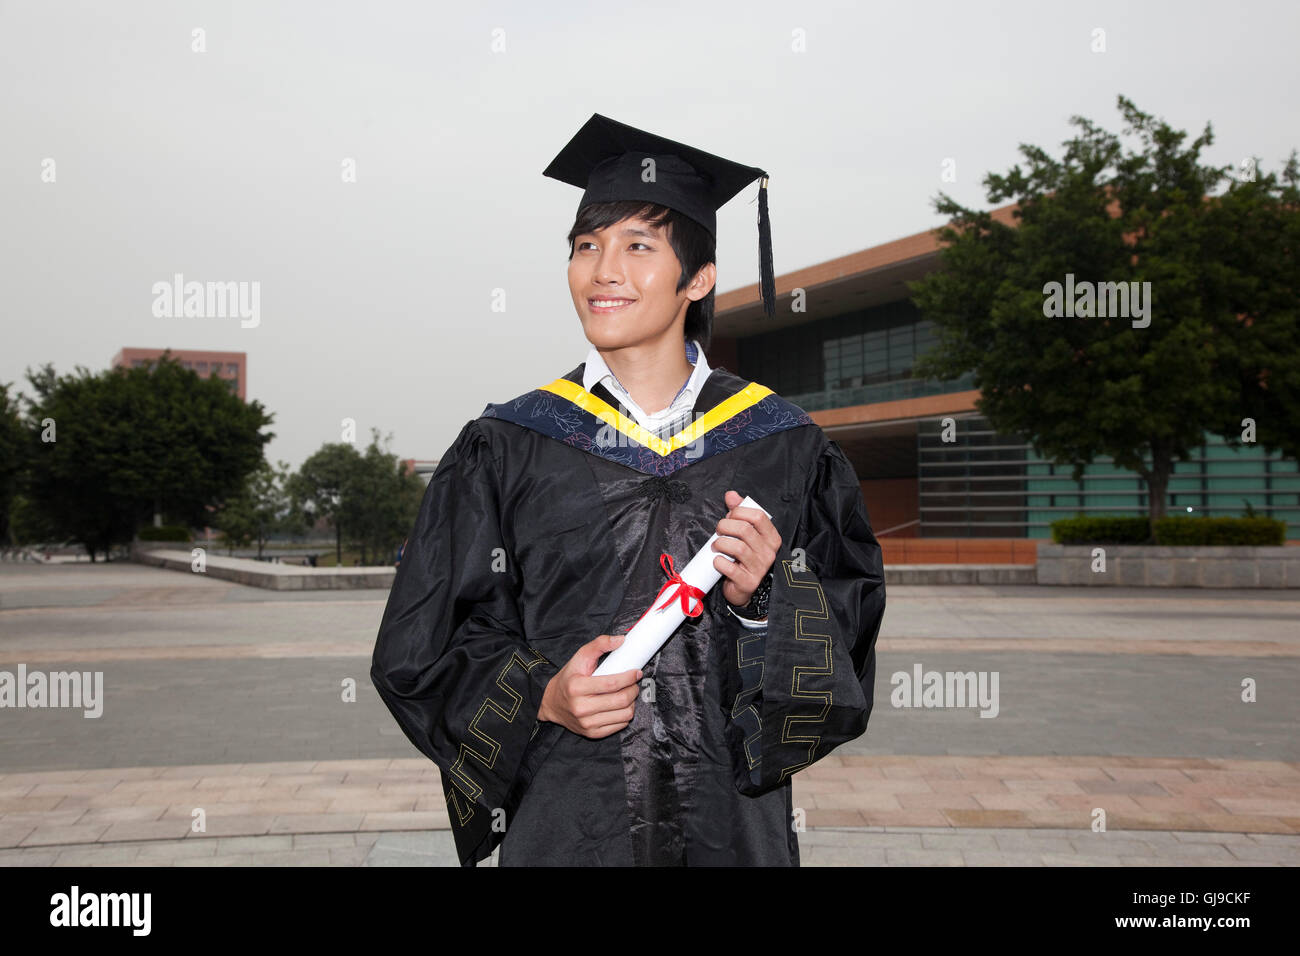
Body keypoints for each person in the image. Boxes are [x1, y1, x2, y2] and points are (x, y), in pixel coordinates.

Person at [371, 113, 886, 867]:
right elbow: (426, 644)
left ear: (699, 279)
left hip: (730, 828)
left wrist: (770, 604)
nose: (602, 270)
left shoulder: (783, 446)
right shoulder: (511, 444)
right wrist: (542, 697)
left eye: (637, 246)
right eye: (586, 247)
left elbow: (848, 638)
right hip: (569, 821)